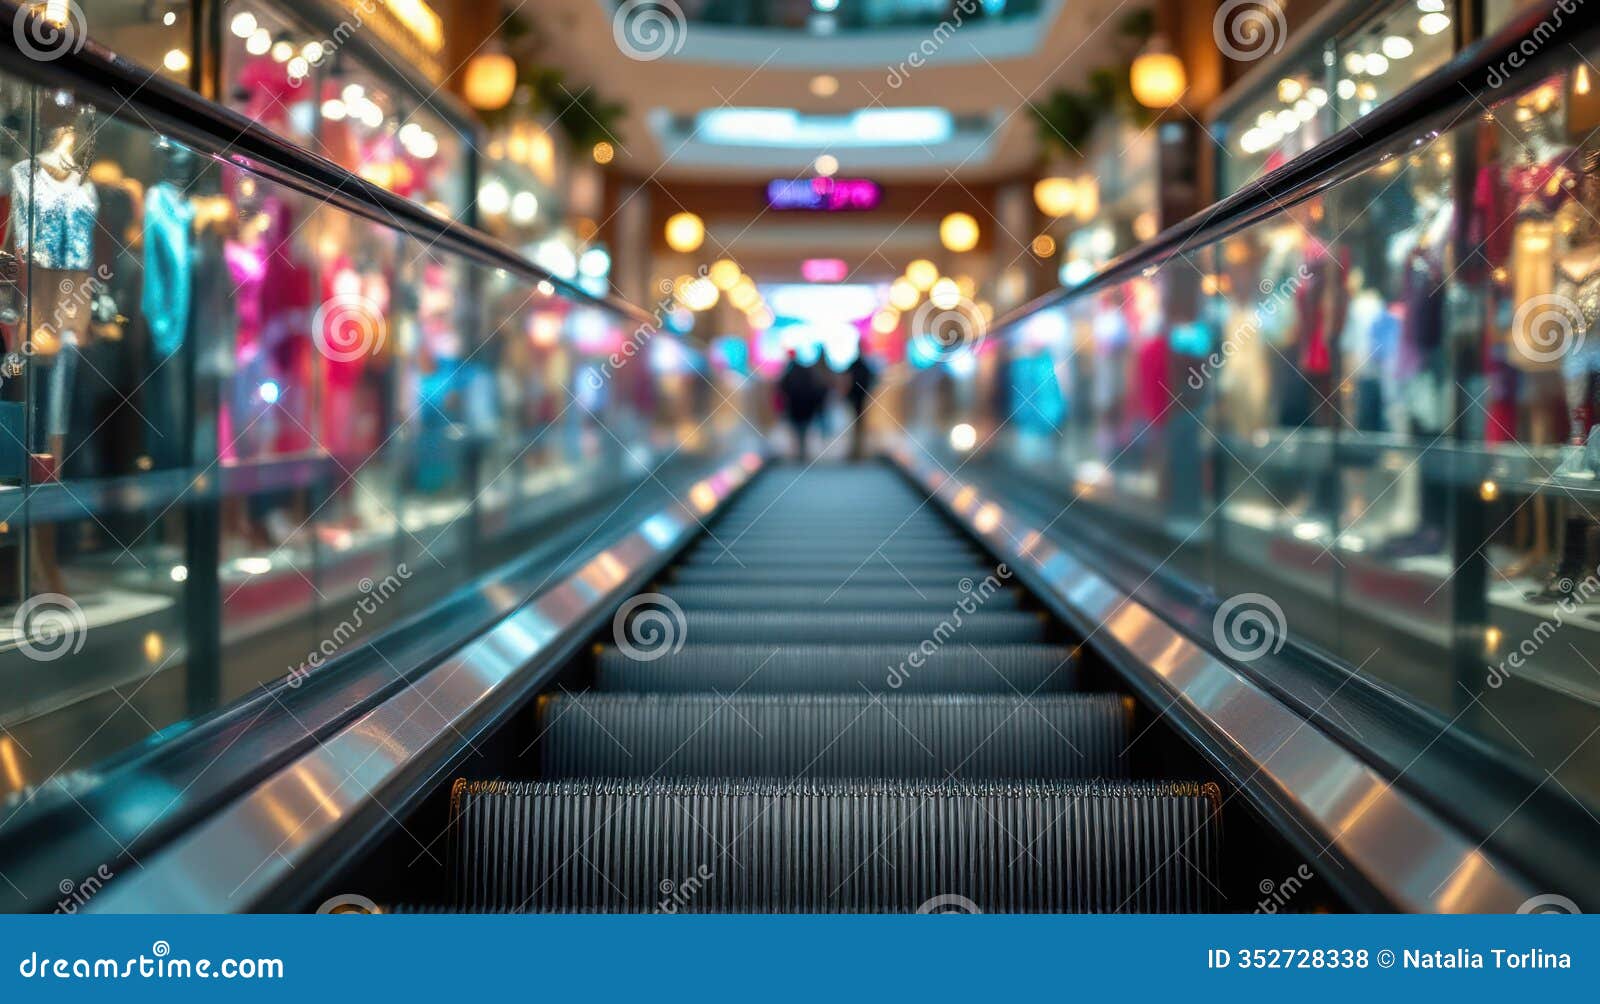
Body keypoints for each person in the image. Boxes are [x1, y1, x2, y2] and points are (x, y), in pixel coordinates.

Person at [778, 350, 823, 460]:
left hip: (795, 406)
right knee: (803, 429)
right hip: (805, 405)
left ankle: (800, 451)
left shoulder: (789, 371)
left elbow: (783, 388)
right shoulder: (805, 371)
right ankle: (802, 451)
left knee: (798, 429)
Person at [846, 349, 877, 460]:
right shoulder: (863, 366)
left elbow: (847, 380)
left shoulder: (856, 365)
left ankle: (857, 451)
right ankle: (858, 451)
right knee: (859, 426)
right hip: (860, 398)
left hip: (856, 398)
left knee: (856, 426)